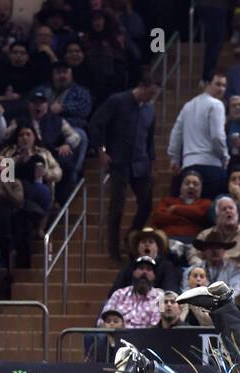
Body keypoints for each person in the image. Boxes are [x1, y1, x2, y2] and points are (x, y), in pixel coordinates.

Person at [88, 71, 160, 260]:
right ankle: (113, 249)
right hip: (119, 160)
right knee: (117, 206)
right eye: (150, 93)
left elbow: (149, 139)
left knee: (146, 204)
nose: (151, 97)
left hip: (141, 162)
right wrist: (101, 150)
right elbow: (96, 123)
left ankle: (130, 237)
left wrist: (152, 163)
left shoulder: (149, 110)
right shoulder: (117, 101)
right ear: (142, 87)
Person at [168, 73, 229, 197]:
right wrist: (224, 156)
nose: (221, 88)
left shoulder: (187, 106)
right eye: (217, 84)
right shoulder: (217, 104)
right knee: (212, 211)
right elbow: (217, 136)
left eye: (224, 85)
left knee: (190, 209)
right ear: (207, 84)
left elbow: (176, 135)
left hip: (188, 166)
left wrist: (174, 159)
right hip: (211, 166)